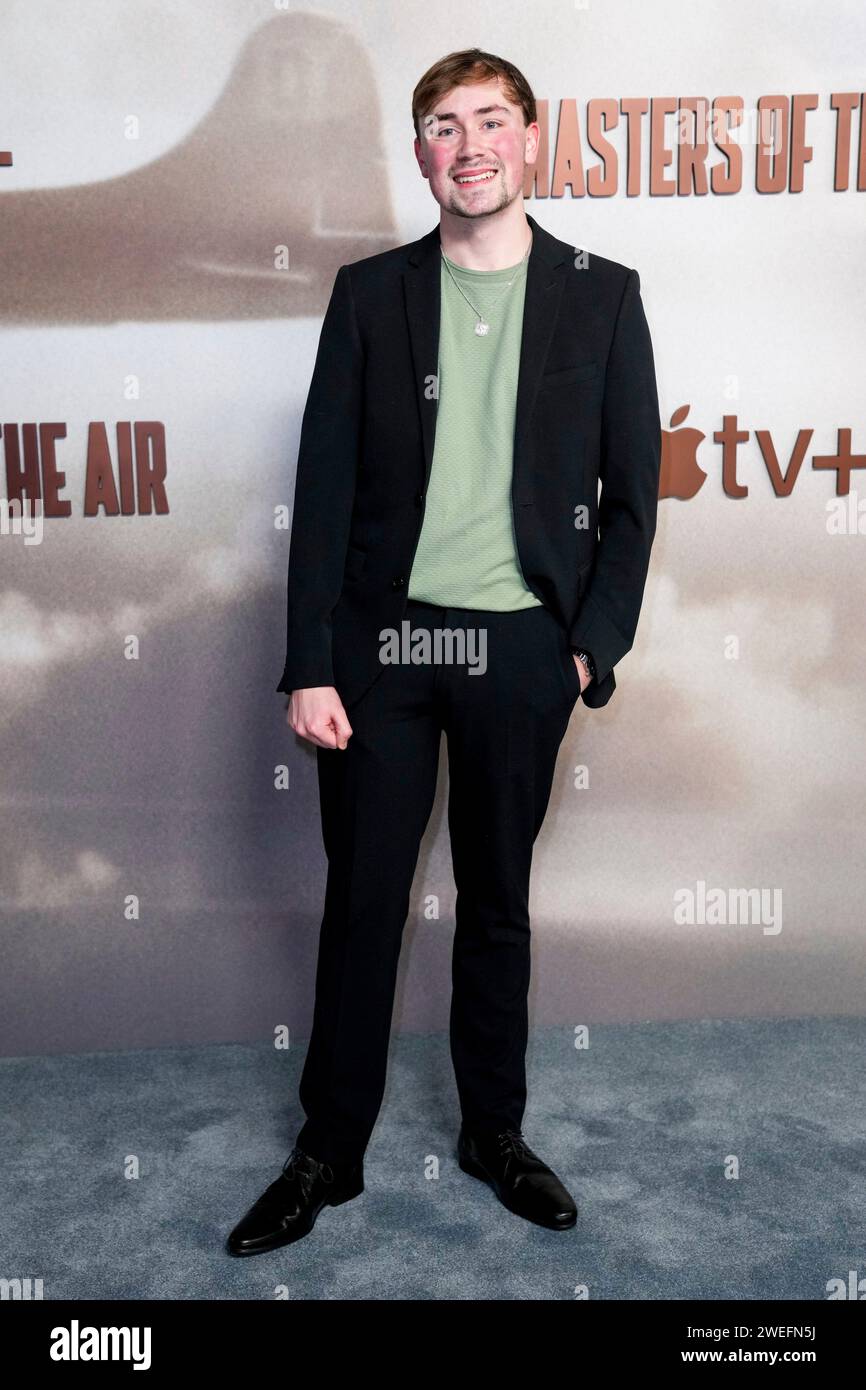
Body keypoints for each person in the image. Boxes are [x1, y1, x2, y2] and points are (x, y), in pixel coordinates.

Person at [227, 46, 661, 1257]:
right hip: (381, 650)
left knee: (498, 905)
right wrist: (308, 660)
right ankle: (330, 1151)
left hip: (522, 648)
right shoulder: (369, 296)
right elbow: (320, 492)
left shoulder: (602, 293)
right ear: (418, 152)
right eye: (438, 126)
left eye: (487, 121)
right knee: (362, 904)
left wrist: (587, 646)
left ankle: (494, 1132)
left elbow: (632, 495)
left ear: (530, 137)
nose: (465, 145)